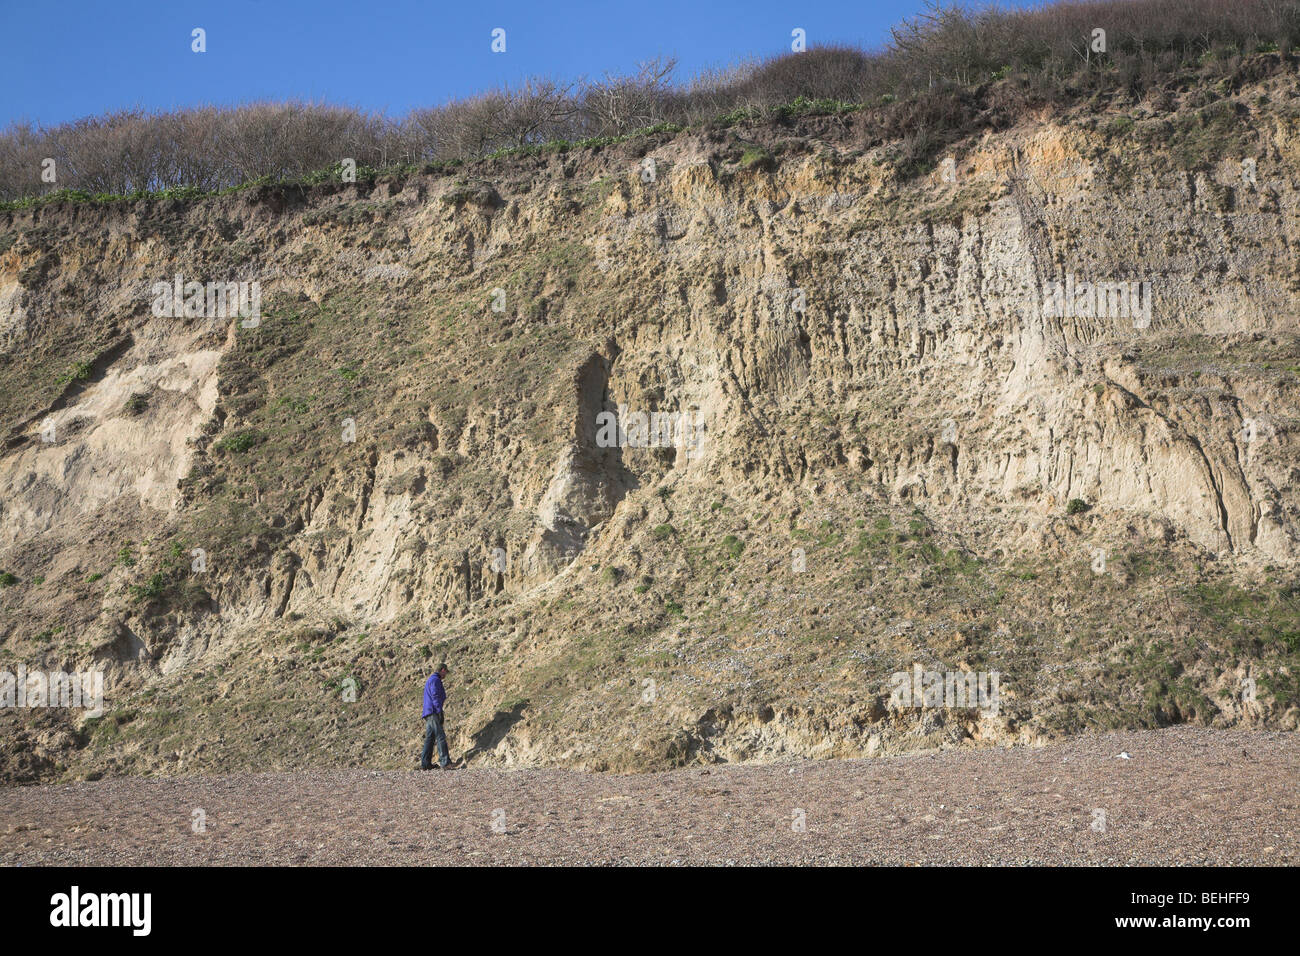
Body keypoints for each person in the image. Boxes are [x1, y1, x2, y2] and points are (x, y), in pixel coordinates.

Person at [420, 663, 453, 770]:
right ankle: (445, 763)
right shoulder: (435, 680)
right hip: (433, 712)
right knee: (440, 736)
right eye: (445, 672)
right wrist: (439, 711)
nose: (445, 675)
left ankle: (425, 764)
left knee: (430, 738)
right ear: (442, 670)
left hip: (428, 712)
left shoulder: (431, 679)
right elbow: (435, 696)